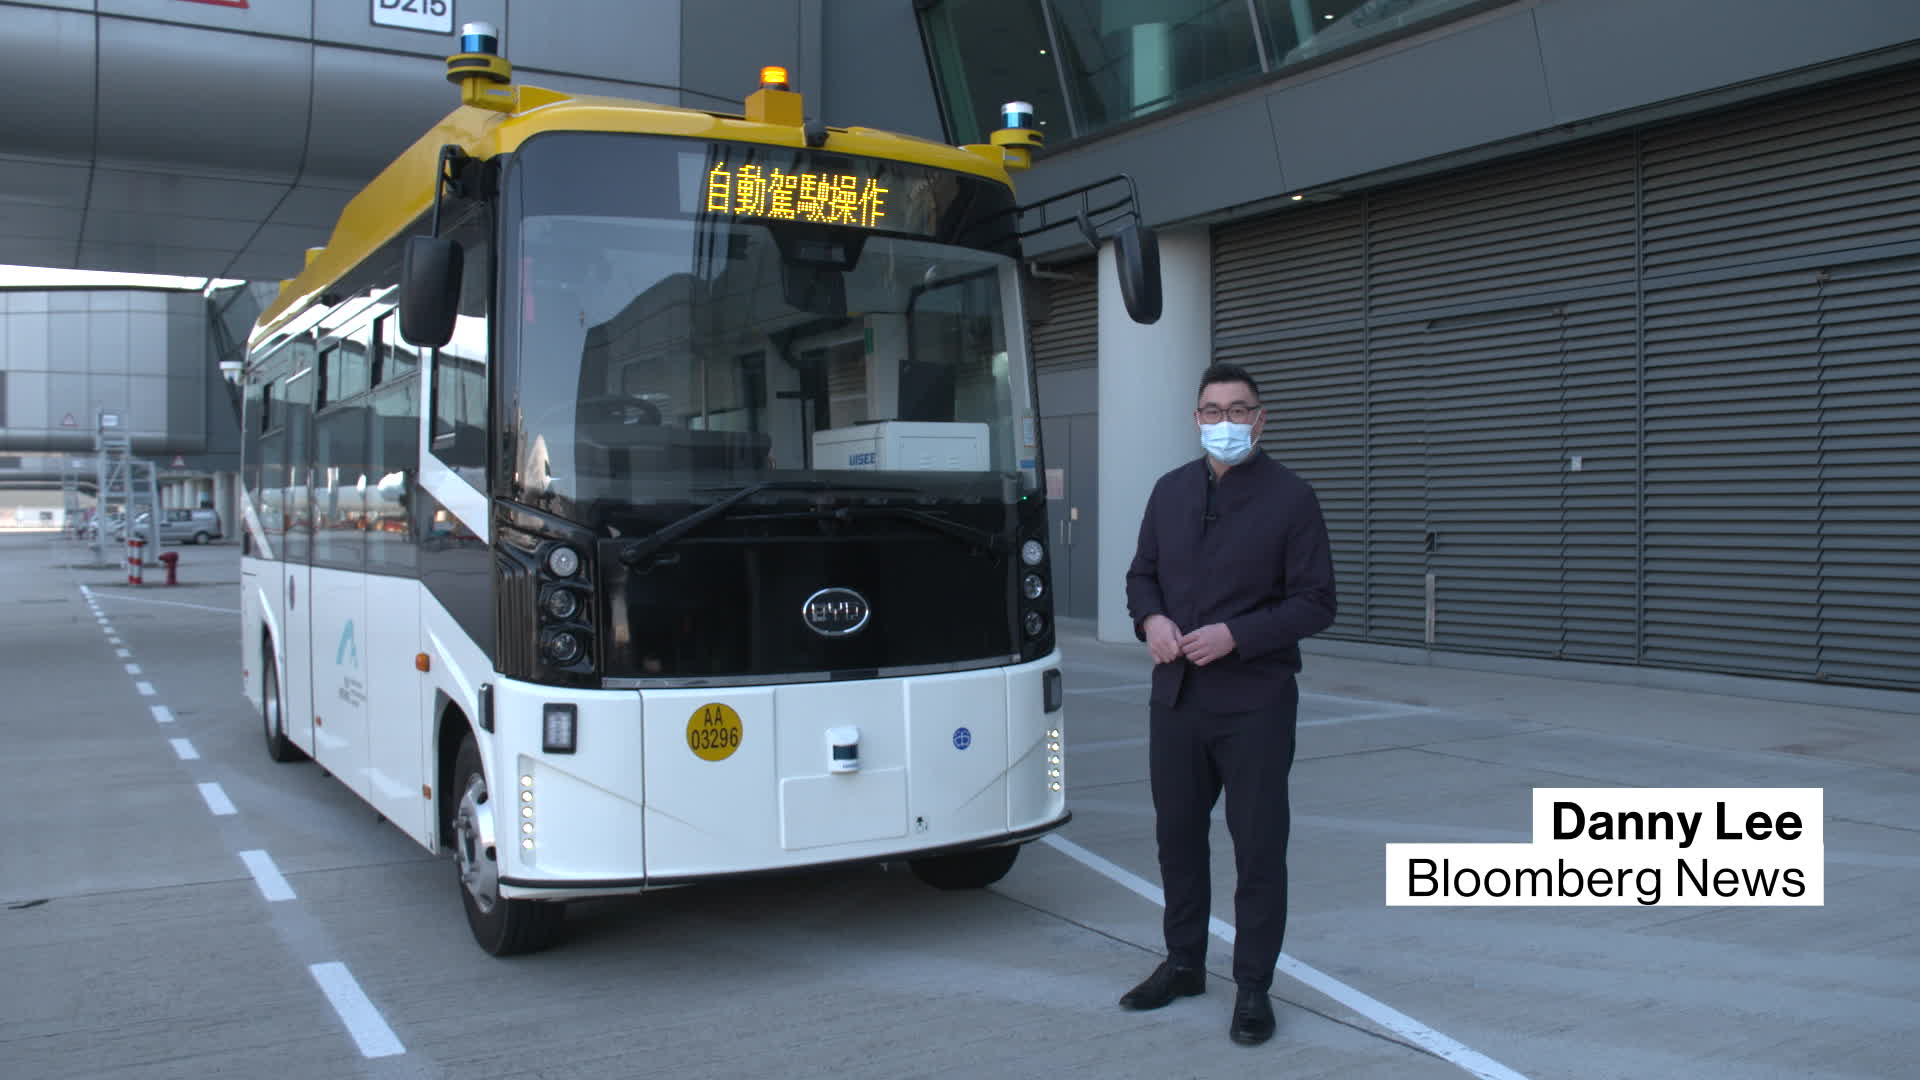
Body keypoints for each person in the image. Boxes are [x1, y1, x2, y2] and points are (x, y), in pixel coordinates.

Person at [1119, 362, 1337, 1046]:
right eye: (1212, 410)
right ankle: (1184, 962)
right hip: (1176, 699)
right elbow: (1141, 576)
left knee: (1258, 850)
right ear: (1195, 420)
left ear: (1261, 419)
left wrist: (1237, 635)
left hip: (1255, 703)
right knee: (1176, 840)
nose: (1225, 423)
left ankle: (1252, 987)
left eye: (1239, 410)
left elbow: (1316, 601)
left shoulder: (1292, 498)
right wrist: (1150, 620)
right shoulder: (1169, 492)